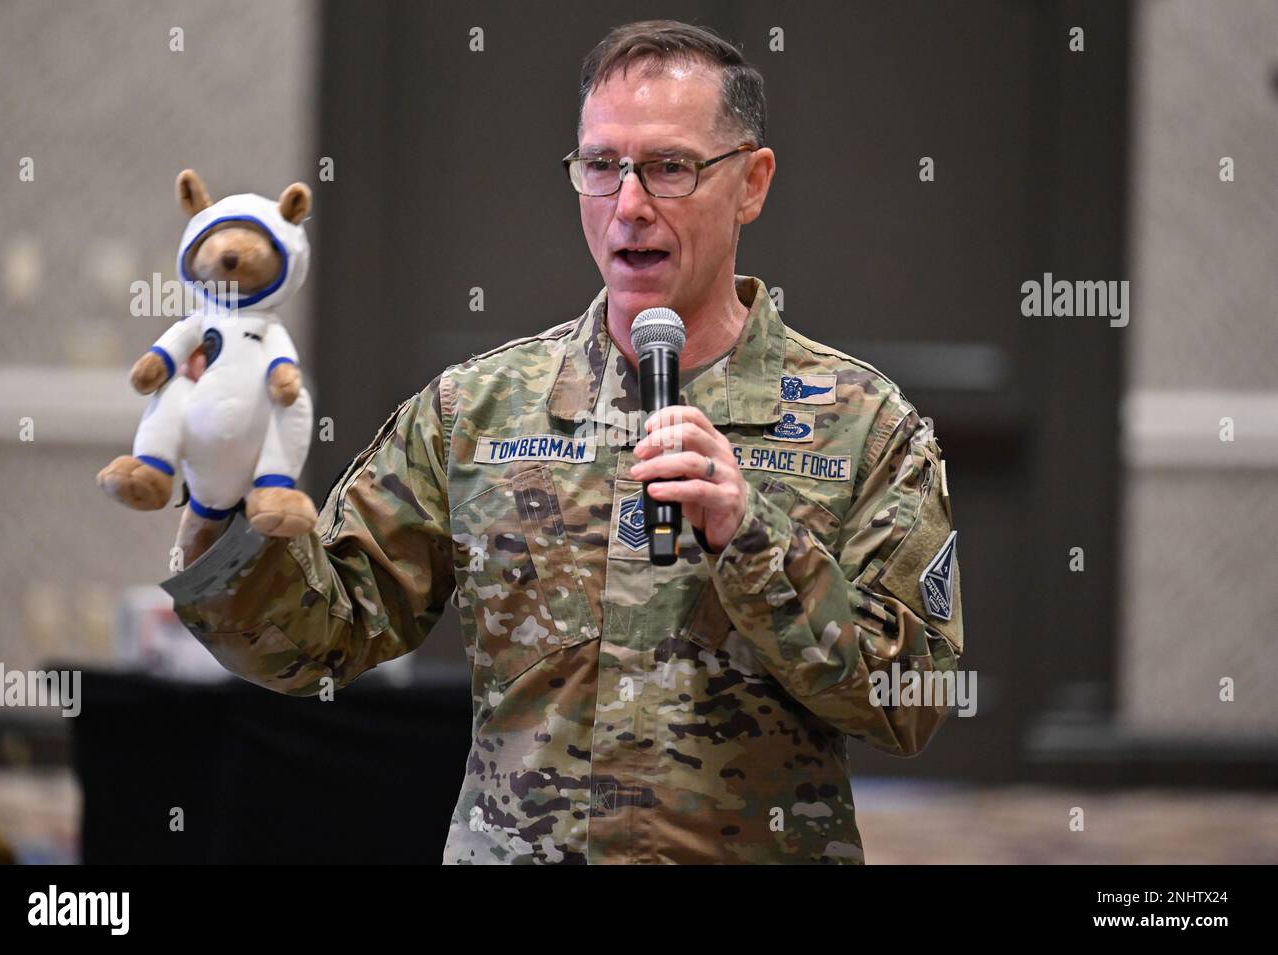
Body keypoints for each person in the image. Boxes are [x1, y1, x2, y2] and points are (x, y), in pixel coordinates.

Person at [166, 19, 965, 864]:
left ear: (752, 183)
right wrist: (220, 498)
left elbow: (910, 701)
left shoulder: (865, 424)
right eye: (601, 166)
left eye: (670, 167)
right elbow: (321, 634)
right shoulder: (476, 411)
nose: (628, 206)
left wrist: (755, 539)